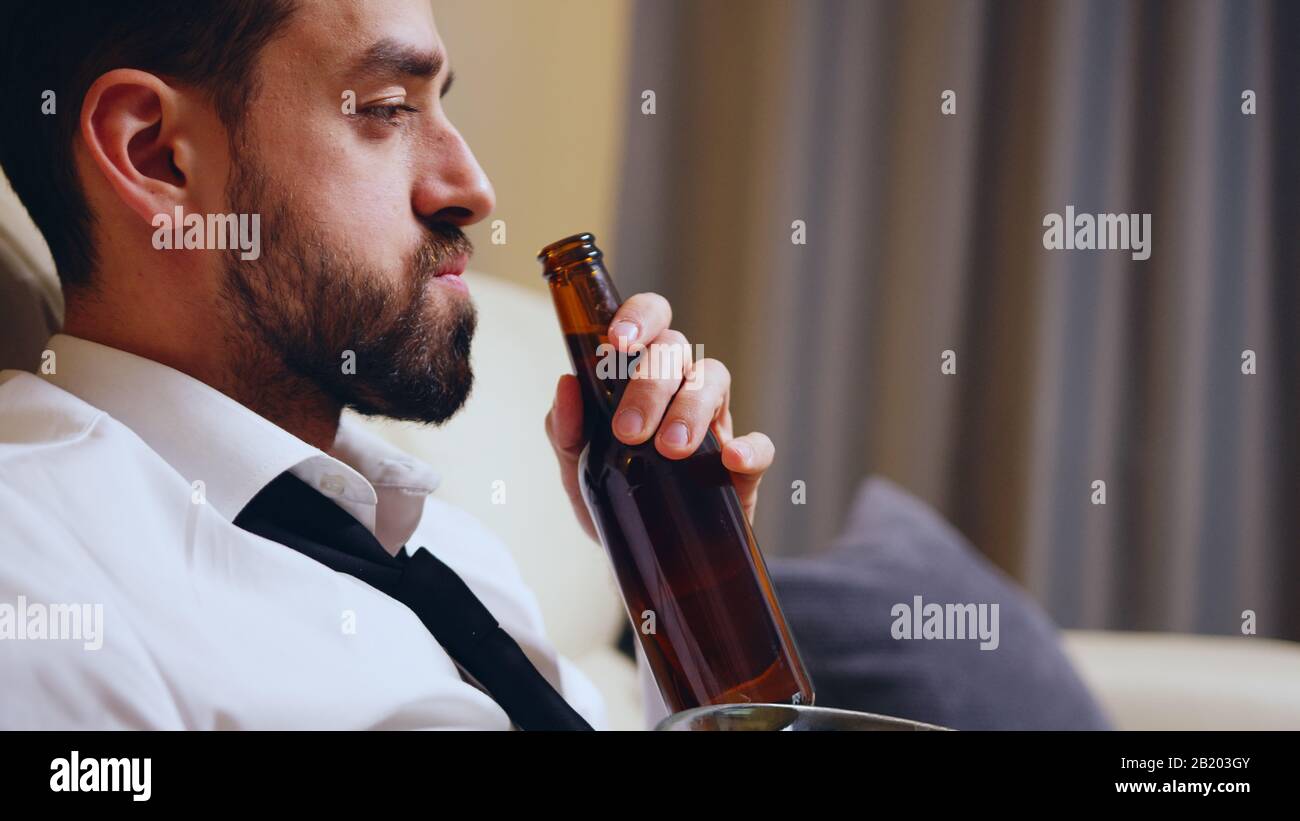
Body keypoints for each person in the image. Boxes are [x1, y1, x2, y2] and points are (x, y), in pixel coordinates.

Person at [0, 0, 779, 730]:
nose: (474, 190)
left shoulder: (447, 543)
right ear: (157, 155)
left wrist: (677, 592)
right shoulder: (38, 570)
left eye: (442, 102)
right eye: (387, 109)